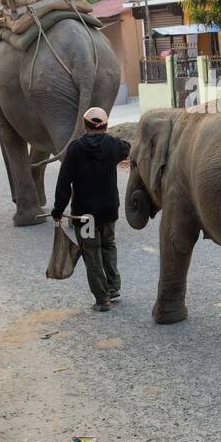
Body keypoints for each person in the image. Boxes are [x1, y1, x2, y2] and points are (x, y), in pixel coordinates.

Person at [51, 107, 131, 311]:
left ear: (85, 126)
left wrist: (58, 210)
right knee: (108, 245)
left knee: (91, 252)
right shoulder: (113, 145)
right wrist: (108, 138)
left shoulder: (75, 149)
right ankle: (113, 288)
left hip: (84, 215)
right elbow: (127, 147)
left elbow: (63, 182)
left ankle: (102, 298)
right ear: (105, 125)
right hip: (109, 211)